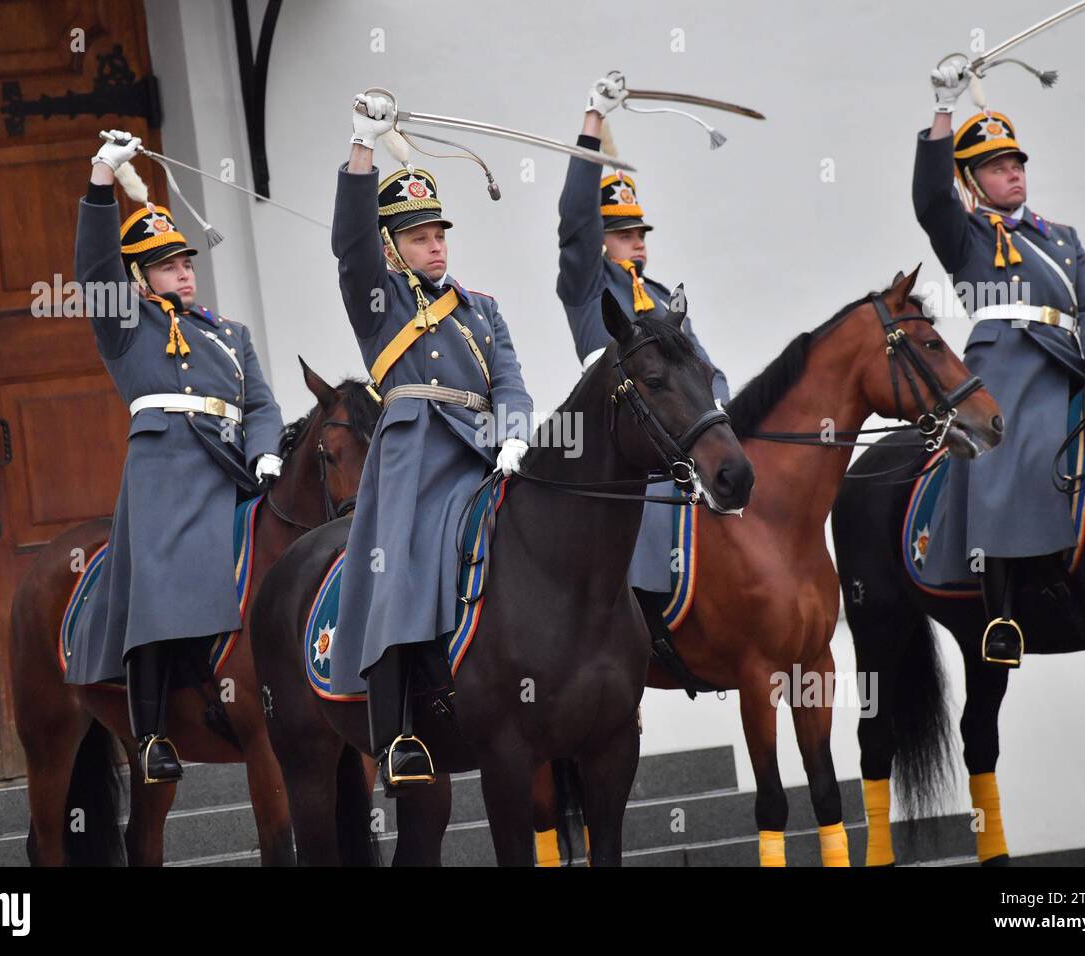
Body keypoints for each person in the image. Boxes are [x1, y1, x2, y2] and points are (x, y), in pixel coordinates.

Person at [330, 94, 534, 790]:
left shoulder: (486, 312)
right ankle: (396, 733)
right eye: (418, 237)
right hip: (414, 456)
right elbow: (350, 245)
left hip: (482, 451)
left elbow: (510, 384)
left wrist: (512, 436)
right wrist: (362, 147)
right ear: (393, 246)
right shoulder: (378, 298)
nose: (435, 244)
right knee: (404, 568)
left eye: (439, 233)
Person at [69, 130, 284, 781]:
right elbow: (94, 268)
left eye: (186, 262)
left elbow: (264, 406)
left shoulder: (231, 335)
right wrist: (102, 181)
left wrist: (268, 454)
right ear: (139, 278)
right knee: (159, 578)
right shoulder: (124, 324)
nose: (184, 272)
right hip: (164, 476)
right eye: (167, 265)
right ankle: (153, 730)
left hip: (231, 468)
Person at [915, 67, 1085, 666]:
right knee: (1004, 451)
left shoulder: (1062, 237)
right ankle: (1001, 613)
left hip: (1068, 360)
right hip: (1004, 361)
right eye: (999, 166)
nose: (1014, 173)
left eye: (1018, 164)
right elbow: (930, 196)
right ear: (974, 181)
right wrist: (942, 106)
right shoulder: (966, 234)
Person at [557, 73, 730, 653]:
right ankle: (643, 618)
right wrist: (592, 126)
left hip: (672, 425)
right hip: (616, 428)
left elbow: (700, 365)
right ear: (601, 240)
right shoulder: (587, 286)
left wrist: (722, 404)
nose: (638, 243)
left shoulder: (658, 296)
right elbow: (573, 221)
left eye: (641, 233)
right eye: (624, 234)